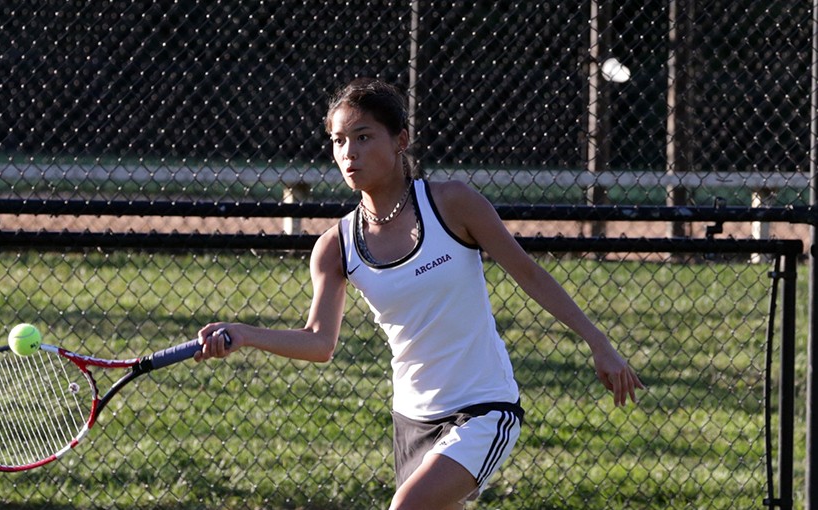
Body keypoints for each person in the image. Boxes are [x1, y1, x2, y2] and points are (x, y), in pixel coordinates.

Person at [195, 77, 644, 510]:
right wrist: (243, 333)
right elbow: (319, 341)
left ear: (400, 140)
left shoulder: (452, 203)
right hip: (410, 421)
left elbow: (529, 273)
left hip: (483, 410)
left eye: (364, 136)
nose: (349, 152)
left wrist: (598, 343)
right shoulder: (336, 246)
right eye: (338, 141)